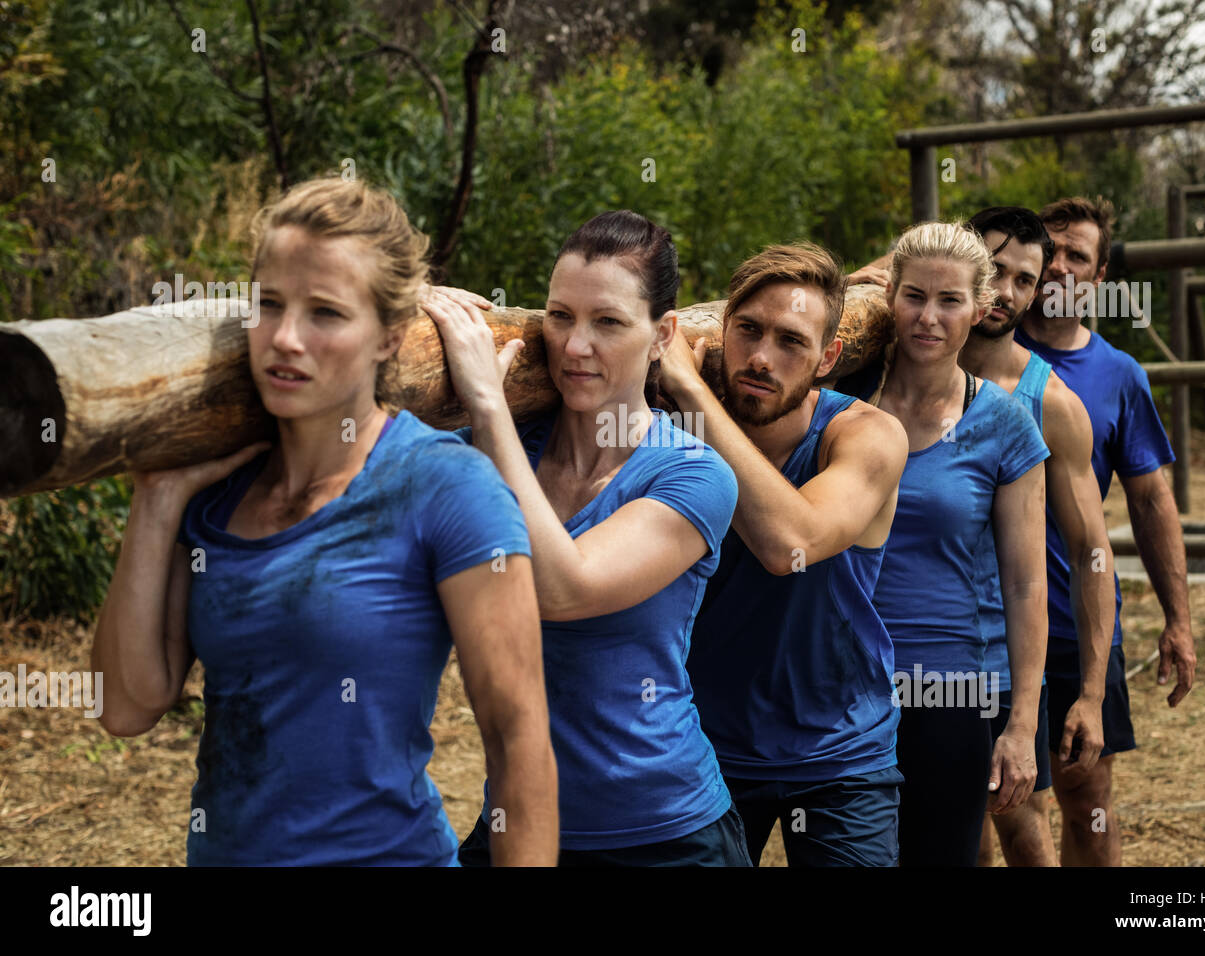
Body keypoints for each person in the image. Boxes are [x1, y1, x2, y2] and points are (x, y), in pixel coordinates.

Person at [91, 177, 558, 866]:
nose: (285, 338)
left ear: (389, 337)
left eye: (325, 314)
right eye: (270, 305)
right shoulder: (214, 494)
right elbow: (126, 707)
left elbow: (519, 739)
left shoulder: (446, 487)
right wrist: (156, 496)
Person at [425, 210, 749, 866]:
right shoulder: (491, 452)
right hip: (518, 825)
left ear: (662, 335)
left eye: (607, 322)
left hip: (663, 835)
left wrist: (488, 407)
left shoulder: (694, 474)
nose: (574, 346)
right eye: (560, 316)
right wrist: (403, 300)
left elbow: (563, 587)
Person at [651, 242, 908, 867]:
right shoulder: (668, 424)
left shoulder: (867, 435)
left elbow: (788, 543)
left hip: (840, 752)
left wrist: (688, 385)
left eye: (791, 341)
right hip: (703, 748)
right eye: (748, 331)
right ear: (722, 332)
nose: (761, 358)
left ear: (828, 360)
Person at [837, 220, 1049, 866]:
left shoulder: (1004, 424)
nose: (929, 317)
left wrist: (1021, 723)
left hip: (951, 691)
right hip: (841, 687)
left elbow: (1025, 582)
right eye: (914, 296)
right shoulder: (836, 404)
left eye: (950, 300)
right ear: (889, 297)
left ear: (979, 309)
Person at [1015, 196, 1196, 866]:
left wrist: (1177, 619)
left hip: (1076, 626)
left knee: (1086, 803)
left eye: (1077, 256)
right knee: (993, 807)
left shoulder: (1120, 376)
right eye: (1049, 251)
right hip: (980, 624)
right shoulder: (976, 350)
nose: (1058, 267)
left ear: (1100, 277)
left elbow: (1152, 504)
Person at [951, 206, 1116, 867]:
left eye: (1025, 279)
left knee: (1021, 825)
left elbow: (1091, 554)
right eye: (993, 272)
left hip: (999, 651)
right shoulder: (886, 367)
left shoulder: (1050, 402)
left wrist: (1094, 694)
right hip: (890, 647)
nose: (1007, 294)